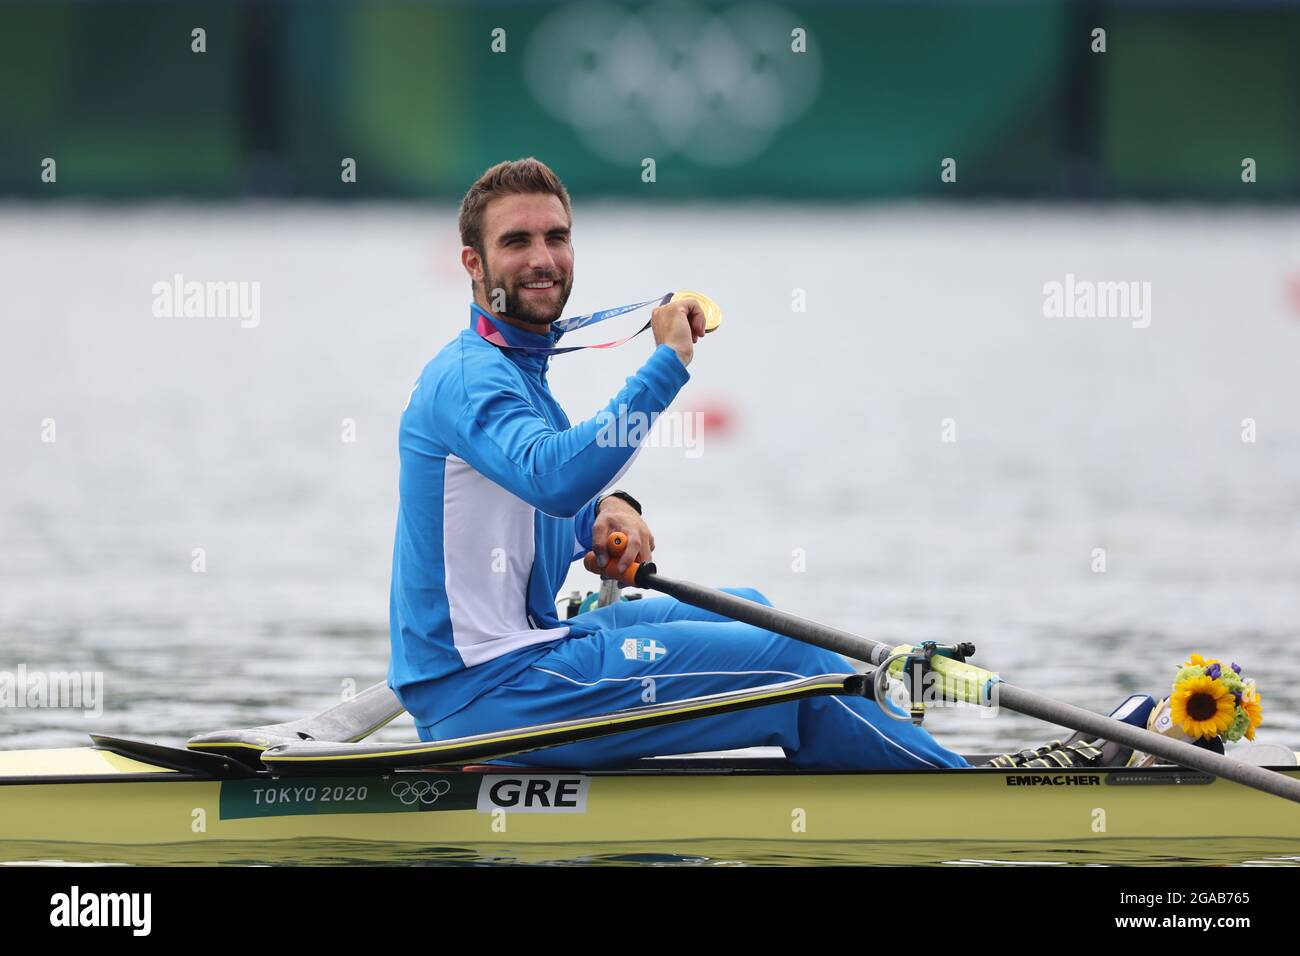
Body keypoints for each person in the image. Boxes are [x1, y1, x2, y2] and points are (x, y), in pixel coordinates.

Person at [386, 157, 968, 770]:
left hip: (520, 653)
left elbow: (532, 508)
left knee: (754, 610)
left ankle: (863, 771)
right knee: (798, 664)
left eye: (556, 238)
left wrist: (607, 511)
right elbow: (552, 479)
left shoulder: (512, 370)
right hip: (491, 691)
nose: (543, 259)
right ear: (473, 263)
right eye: (516, 242)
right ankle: (951, 789)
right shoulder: (471, 379)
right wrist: (667, 364)